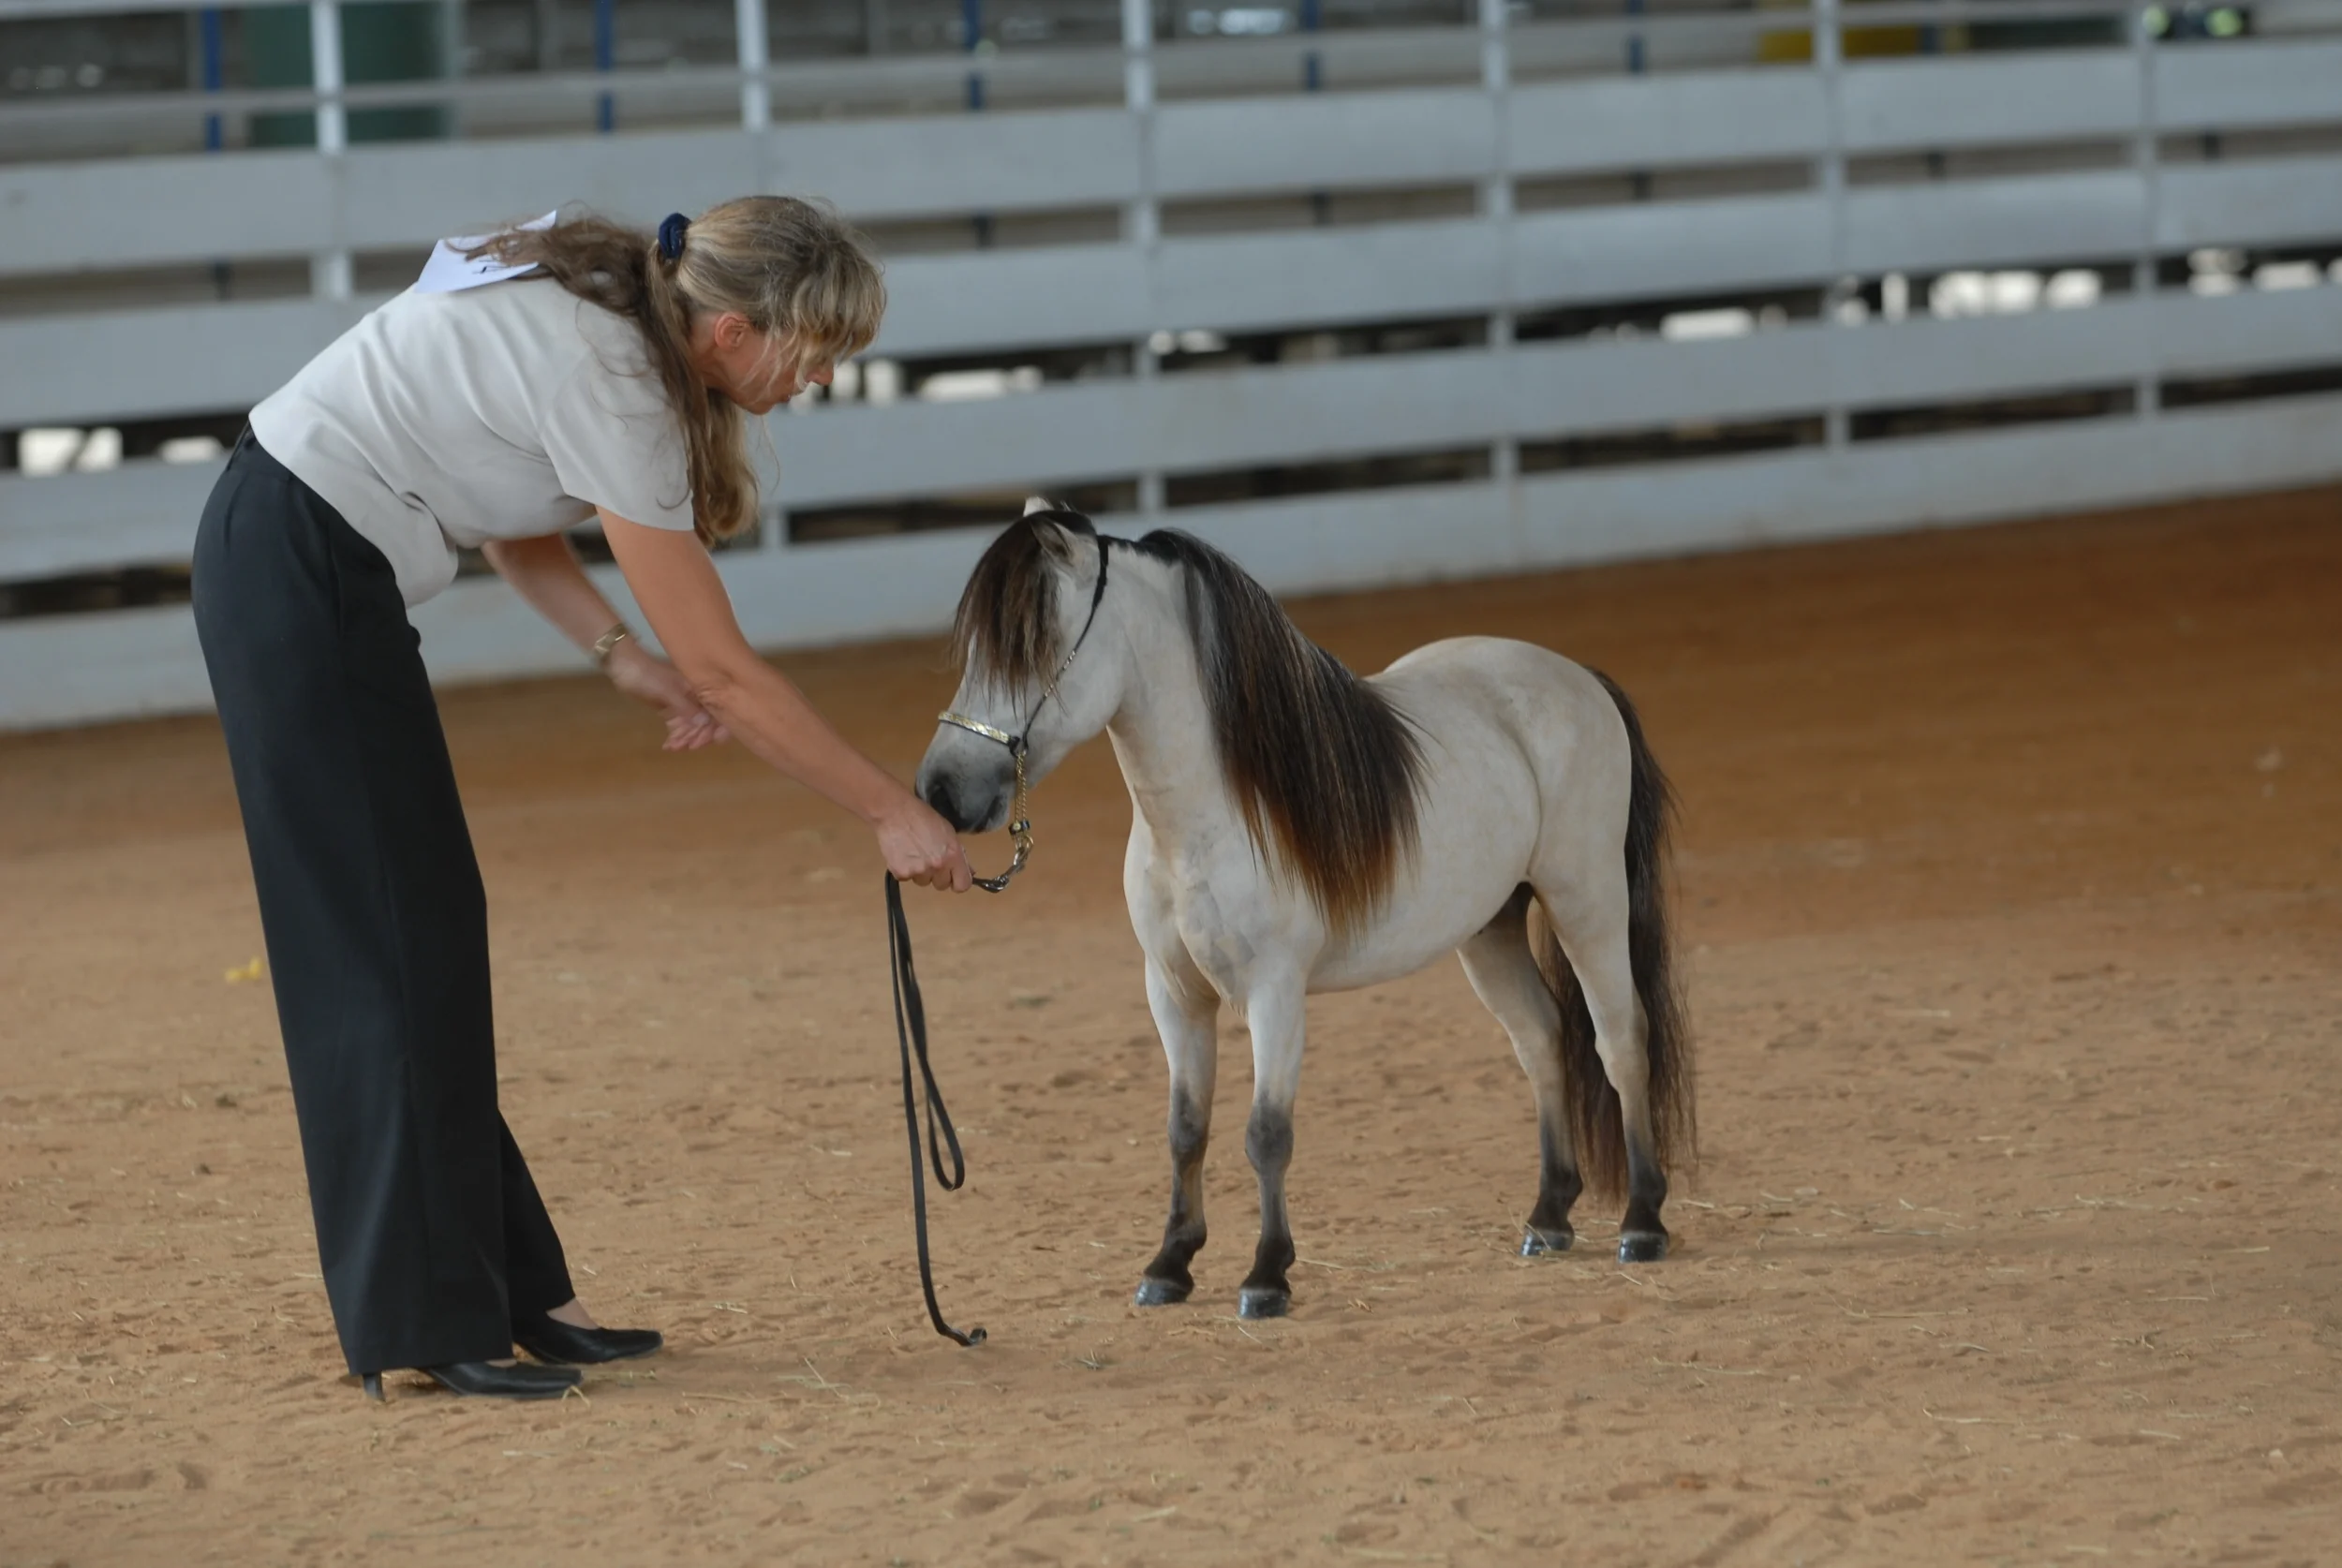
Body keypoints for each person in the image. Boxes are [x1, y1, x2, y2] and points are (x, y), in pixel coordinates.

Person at [192, 196, 973, 1403]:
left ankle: (514, 1296)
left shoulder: (614, 312)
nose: (816, 382)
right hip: (297, 566)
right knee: (386, 945)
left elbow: (514, 529)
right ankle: (426, 1321)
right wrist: (888, 810)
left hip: (297, 559)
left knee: (427, 938)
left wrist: (621, 658)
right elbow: (728, 669)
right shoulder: (616, 376)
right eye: (812, 355)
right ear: (727, 333)